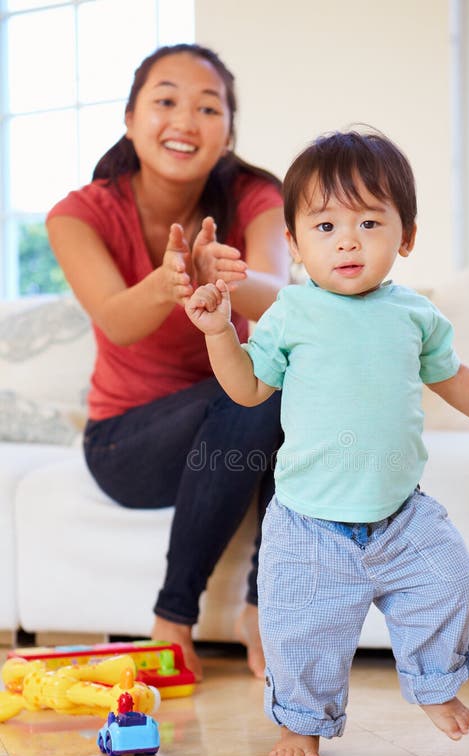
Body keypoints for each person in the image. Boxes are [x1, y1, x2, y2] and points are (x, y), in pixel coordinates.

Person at [182, 129, 469, 756]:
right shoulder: (290, 312)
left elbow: (454, 379)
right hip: (310, 521)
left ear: (406, 237)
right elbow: (249, 389)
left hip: (399, 513)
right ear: (296, 245)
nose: (348, 241)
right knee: (302, 632)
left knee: (452, 578)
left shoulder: (414, 315)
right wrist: (220, 330)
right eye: (326, 225)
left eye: (369, 222)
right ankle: (301, 728)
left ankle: (434, 685)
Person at [46, 44, 290, 682]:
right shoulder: (78, 214)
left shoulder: (255, 192)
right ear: (130, 118)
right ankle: (173, 619)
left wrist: (229, 278)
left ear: (228, 131)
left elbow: (286, 298)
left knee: (277, 386)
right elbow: (118, 322)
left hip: (236, 422)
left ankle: (261, 609)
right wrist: (169, 282)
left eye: (208, 107)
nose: (185, 119)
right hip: (128, 446)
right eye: (165, 100)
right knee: (245, 394)